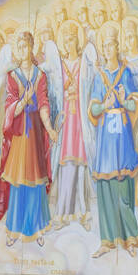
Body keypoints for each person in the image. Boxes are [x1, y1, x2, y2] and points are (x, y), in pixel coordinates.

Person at [0, 30, 57, 246]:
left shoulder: (40, 75)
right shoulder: (12, 76)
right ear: (16, 51)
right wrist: (23, 101)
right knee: (18, 181)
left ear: (32, 48)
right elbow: (9, 106)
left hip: (35, 133)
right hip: (19, 137)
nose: (23, 50)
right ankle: (15, 229)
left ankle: (36, 228)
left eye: (26, 45)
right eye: (19, 46)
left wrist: (50, 127)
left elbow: (44, 103)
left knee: (35, 180)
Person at [88, 24, 138, 257]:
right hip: (105, 138)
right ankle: (107, 240)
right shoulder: (99, 76)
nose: (106, 49)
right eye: (104, 46)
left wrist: (123, 99)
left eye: (110, 44)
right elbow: (93, 108)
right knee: (105, 188)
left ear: (117, 46)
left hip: (121, 135)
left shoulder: (126, 73)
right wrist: (105, 105)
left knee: (123, 187)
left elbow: (135, 104)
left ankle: (130, 237)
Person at [51, 20, 91, 229]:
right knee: (66, 165)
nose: (69, 43)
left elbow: (90, 88)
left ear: (78, 41)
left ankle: (82, 212)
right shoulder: (60, 66)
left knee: (80, 167)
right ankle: (62, 213)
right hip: (67, 120)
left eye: (72, 39)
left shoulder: (84, 63)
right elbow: (55, 92)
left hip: (80, 120)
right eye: (66, 40)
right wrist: (65, 89)